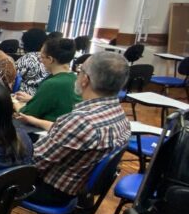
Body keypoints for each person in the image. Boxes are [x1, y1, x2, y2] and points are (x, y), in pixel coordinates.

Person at [26, 52, 131, 206]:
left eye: (80, 70)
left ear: (85, 80)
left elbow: (32, 163)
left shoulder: (81, 121)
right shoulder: (120, 114)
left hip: (51, 192)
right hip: (80, 187)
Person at [14, 37, 81, 131]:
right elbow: (62, 103)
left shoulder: (52, 83)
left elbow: (26, 114)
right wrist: (33, 99)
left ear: (50, 59)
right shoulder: (75, 78)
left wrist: (14, 102)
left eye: (41, 56)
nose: (40, 60)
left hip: (47, 131)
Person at [15, 28, 48, 95]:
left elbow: (12, 77)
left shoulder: (26, 59)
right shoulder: (49, 58)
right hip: (44, 94)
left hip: (25, 96)